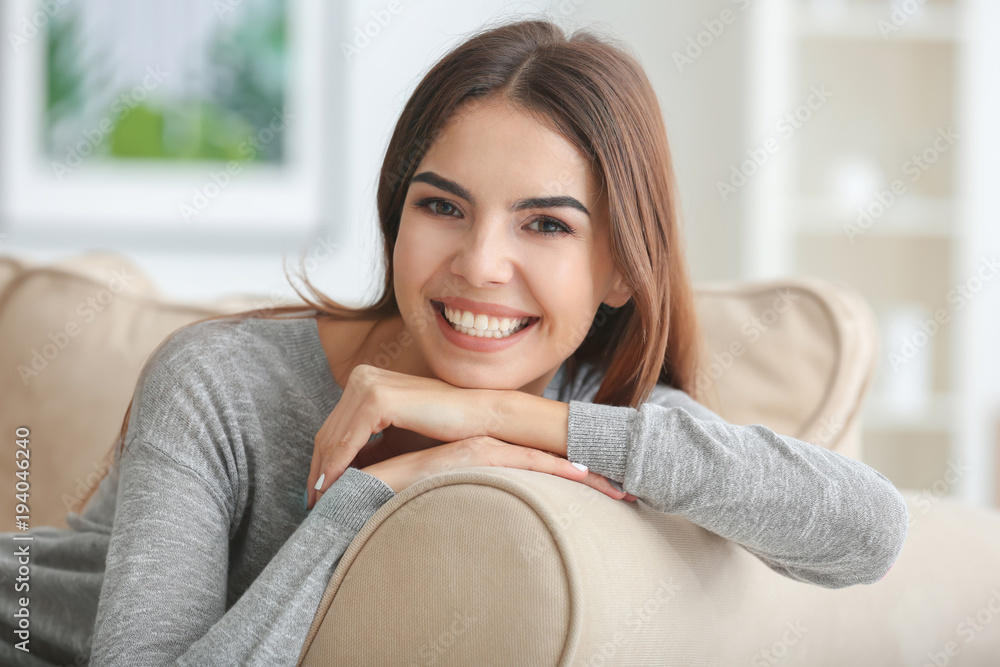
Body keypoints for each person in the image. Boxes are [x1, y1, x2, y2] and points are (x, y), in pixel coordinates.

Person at [0, 17, 908, 667]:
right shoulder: (221, 382)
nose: (479, 264)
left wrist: (501, 418)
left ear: (624, 269)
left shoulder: (590, 415)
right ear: (397, 219)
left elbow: (868, 531)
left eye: (545, 225)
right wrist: (369, 497)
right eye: (441, 206)